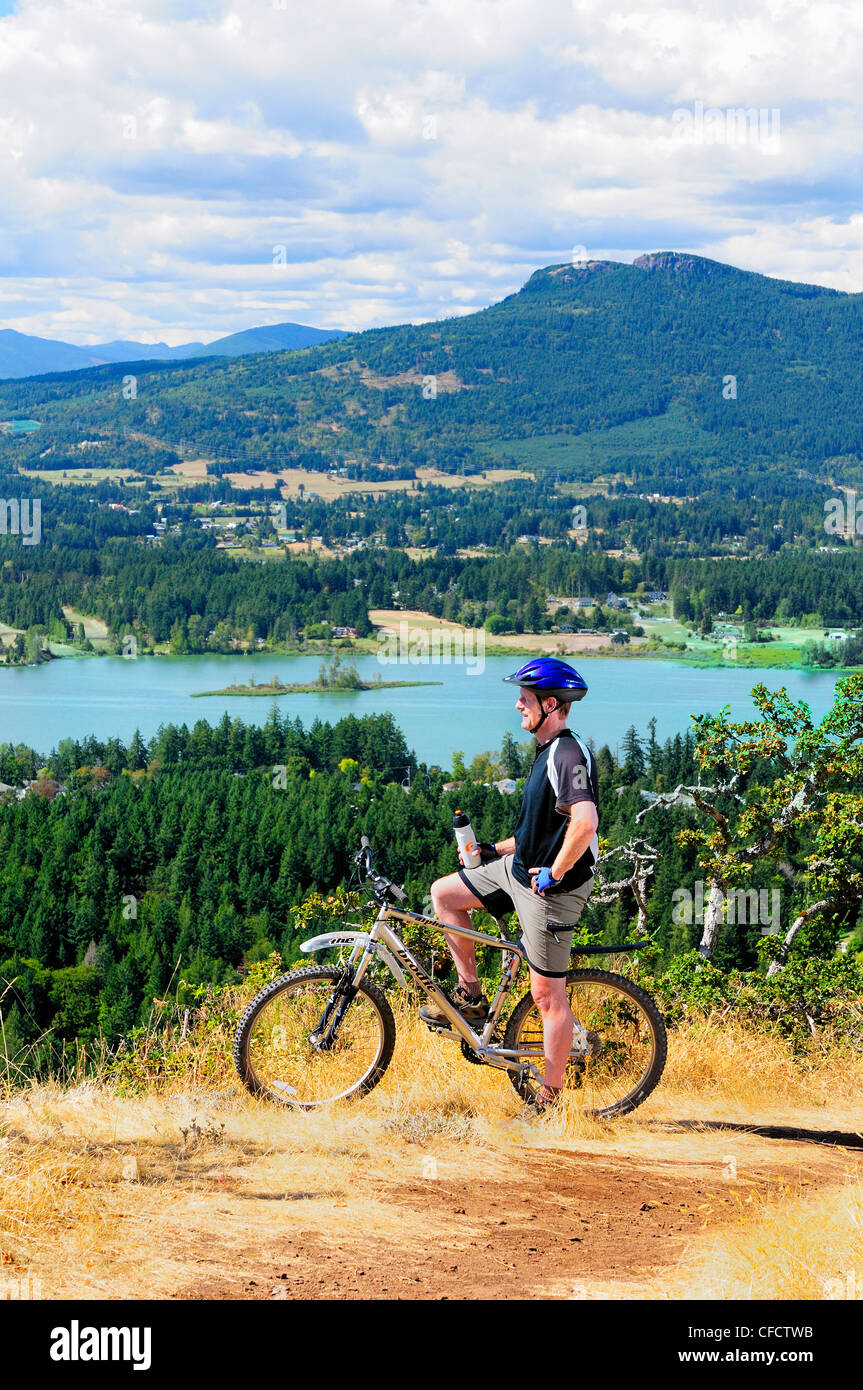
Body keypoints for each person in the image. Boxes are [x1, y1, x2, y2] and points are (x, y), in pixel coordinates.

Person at [420, 658, 599, 1112]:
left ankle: (548, 1100)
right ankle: (471, 997)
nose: (517, 703)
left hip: (551, 890)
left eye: (526, 697)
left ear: (551, 704)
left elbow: (585, 822)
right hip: (520, 870)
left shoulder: (568, 753)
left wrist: (554, 873)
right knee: (445, 894)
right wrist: (493, 851)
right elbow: (542, 831)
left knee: (546, 995)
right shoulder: (546, 750)